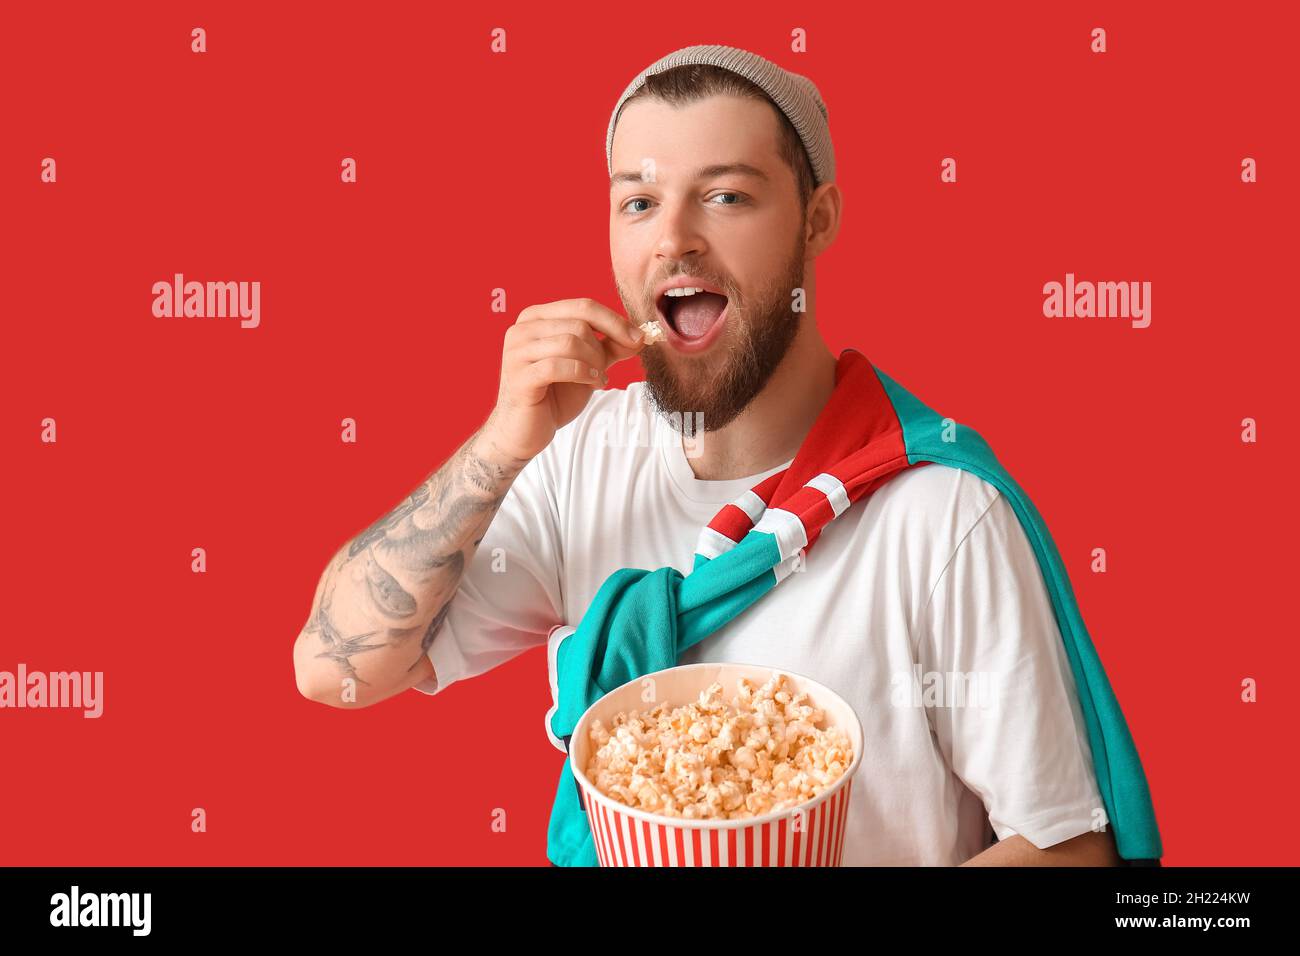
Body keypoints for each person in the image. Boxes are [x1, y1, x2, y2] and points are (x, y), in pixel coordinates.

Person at [293, 45, 1121, 866]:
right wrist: (501, 444)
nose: (674, 241)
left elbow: (1070, 848)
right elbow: (338, 669)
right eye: (640, 202)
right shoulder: (577, 459)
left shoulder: (938, 511)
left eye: (726, 196)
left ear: (818, 218)